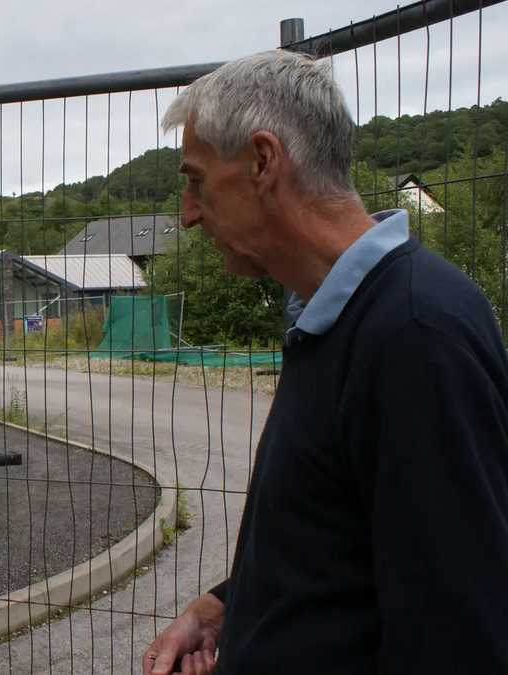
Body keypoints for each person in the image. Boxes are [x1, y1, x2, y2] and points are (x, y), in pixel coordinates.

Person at [143, 49, 508, 675]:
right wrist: (226, 608)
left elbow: (457, 632)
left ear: (263, 162)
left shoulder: (413, 337)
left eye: (197, 179)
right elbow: (350, 550)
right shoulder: (337, 319)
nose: (188, 213)